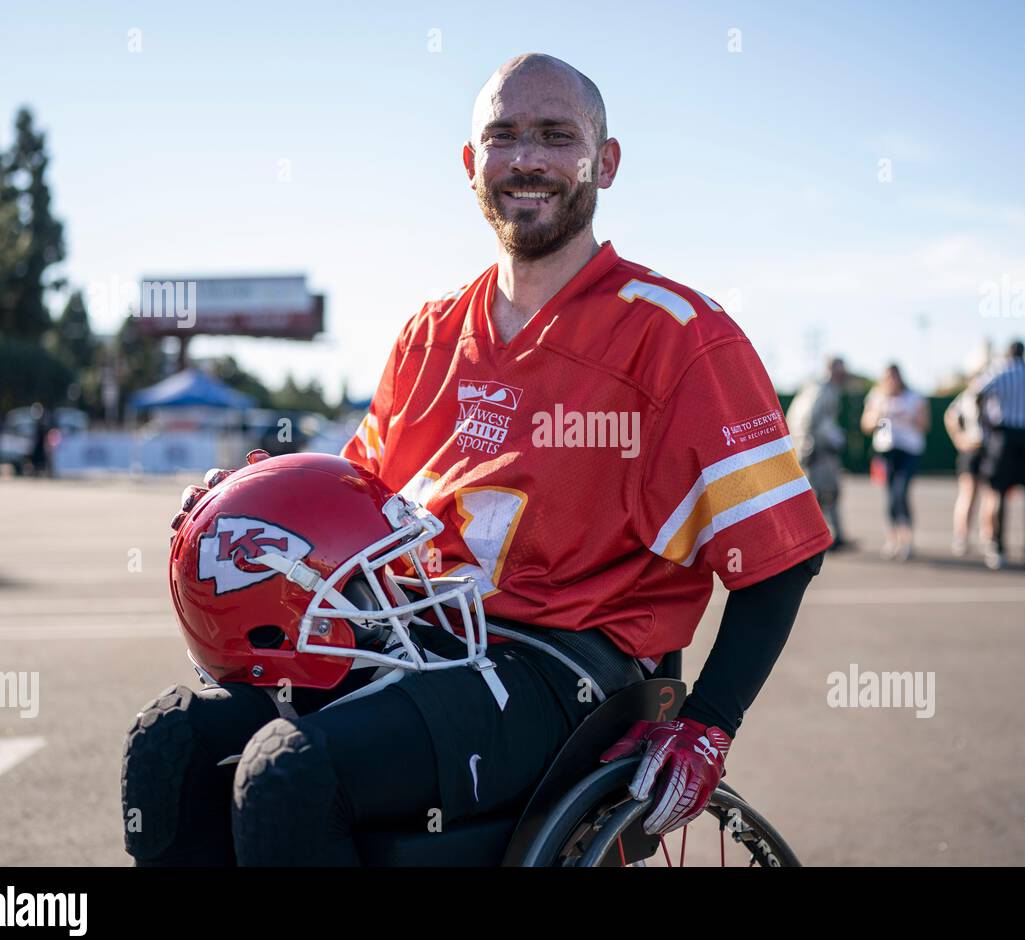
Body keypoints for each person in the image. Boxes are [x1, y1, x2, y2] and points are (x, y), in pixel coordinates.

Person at [122, 53, 834, 867]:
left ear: (604, 162)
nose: (526, 157)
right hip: (415, 639)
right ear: (471, 165)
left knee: (289, 775)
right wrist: (255, 503)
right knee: (171, 745)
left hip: (564, 667)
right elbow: (363, 514)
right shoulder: (428, 333)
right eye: (503, 137)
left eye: (555, 135)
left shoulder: (678, 336)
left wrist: (711, 725)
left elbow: (778, 557)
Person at [973, 340, 1025, 570]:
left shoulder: (1002, 372)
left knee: (1000, 493)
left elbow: (978, 392)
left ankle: (999, 548)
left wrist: (985, 421)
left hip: (1006, 436)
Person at [860, 364, 928, 560]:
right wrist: (879, 414)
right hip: (885, 451)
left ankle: (907, 539)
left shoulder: (914, 397)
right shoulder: (876, 396)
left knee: (901, 492)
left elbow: (925, 424)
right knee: (890, 495)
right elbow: (866, 425)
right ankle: (892, 539)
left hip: (909, 450)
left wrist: (909, 418)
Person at [786, 357, 852, 550]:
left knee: (828, 493)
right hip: (816, 450)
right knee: (821, 494)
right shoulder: (821, 389)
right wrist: (808, 446)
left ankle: (831, 535)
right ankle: (812, 537)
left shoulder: (823, 387)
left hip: (818, 448)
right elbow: (807, 419)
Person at [943, 372, 987, 556]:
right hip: (971, 450)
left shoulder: (992, 397)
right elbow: (950, 417)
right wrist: (959, 439)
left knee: (990, 496)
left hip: (990, 450)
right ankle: (961, 537)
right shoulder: (966, 398)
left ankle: (988, 537)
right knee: (968, 494)